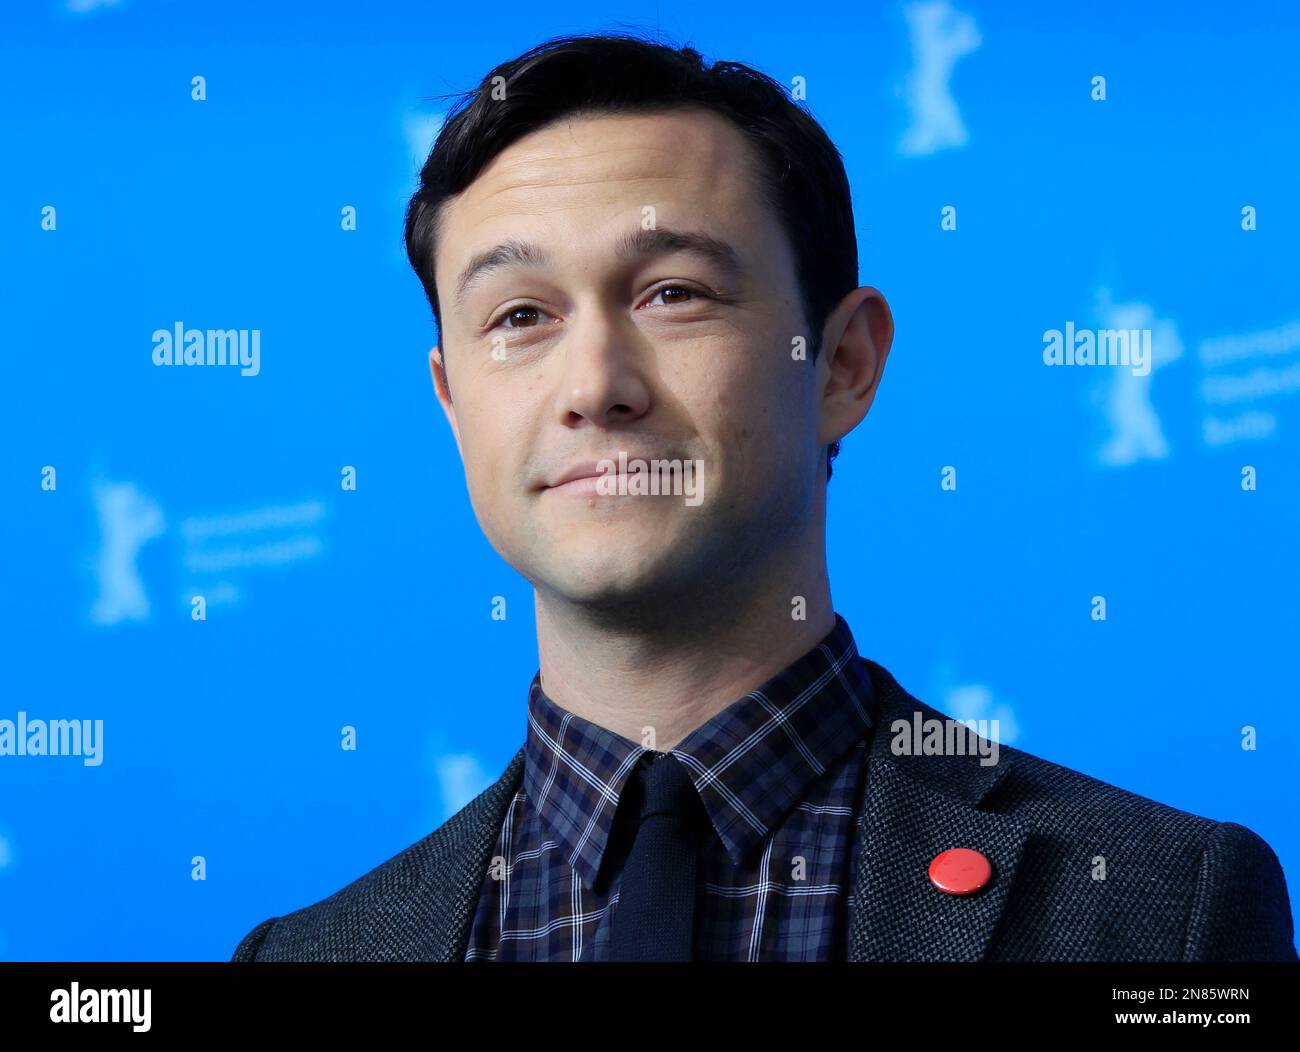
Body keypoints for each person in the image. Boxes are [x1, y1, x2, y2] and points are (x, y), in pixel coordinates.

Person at [231, 31, 1296, 962]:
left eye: (672, 293)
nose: (596, 385)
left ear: (841, 364)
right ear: (452, 401)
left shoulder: (1161, 905)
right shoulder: (313, 950)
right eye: (518, 316)